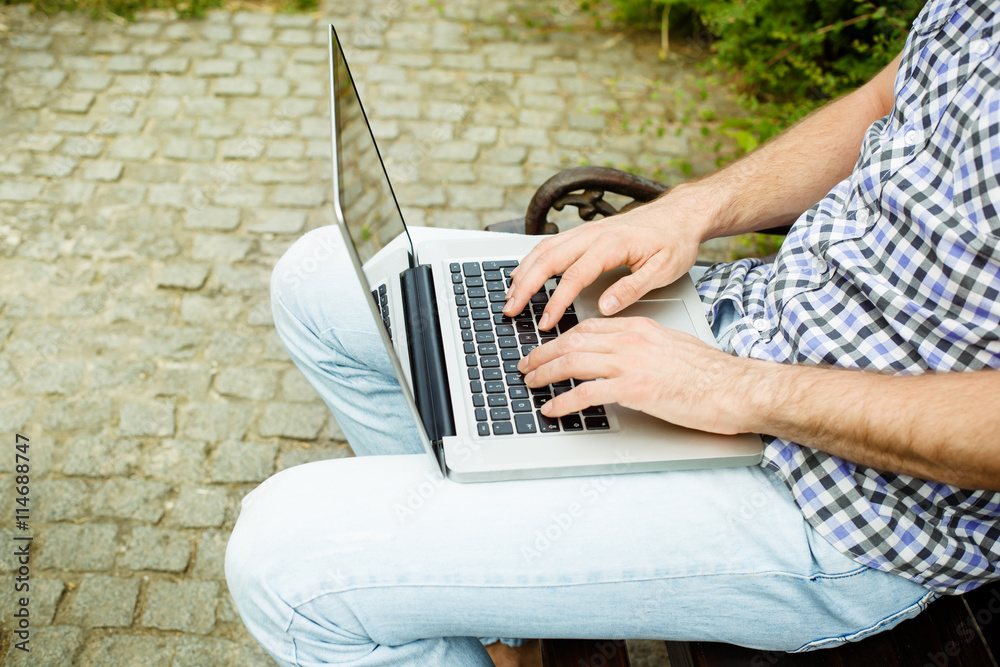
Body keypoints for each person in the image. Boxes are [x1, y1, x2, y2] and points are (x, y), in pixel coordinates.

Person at [226, 0, 1000, 664]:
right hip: (747, 313)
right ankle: (486, 604)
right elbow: (889, 98)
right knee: (321, 284)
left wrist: (734, 388)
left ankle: (444, 567)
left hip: (847, 502)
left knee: (287, 561)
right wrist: (693, 207)